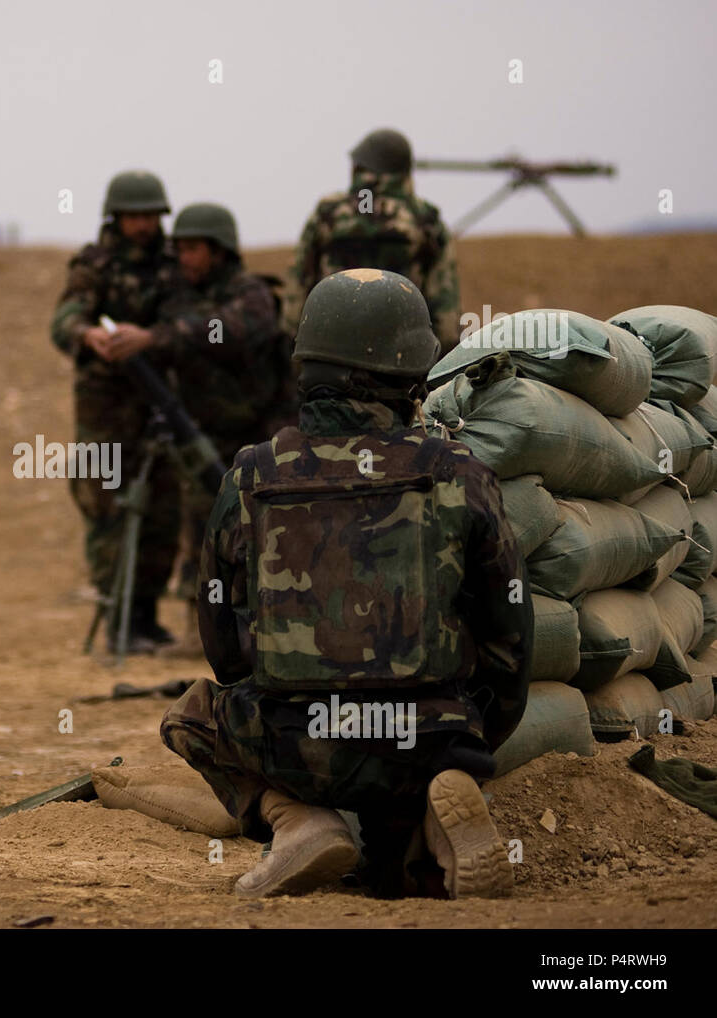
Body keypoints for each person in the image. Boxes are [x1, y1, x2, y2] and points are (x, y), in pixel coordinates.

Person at [161, 268, 531, 899]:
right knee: (400, 856)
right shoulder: (459, 471)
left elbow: (220, 640)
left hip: (295, 744)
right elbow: (510, 639)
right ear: (414, 374)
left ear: (306, 367)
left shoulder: (251, 475)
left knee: (191, 716)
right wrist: (470, 732)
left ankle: (297, 820)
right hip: (428, 738)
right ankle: (436, 809)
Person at [145, 202, 291, 654]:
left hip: (255, 437)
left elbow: (235, 330)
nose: (184, 258)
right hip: (198, 434)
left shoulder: (251, 292)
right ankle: (200, 633)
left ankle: (274, 629)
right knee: (201, 537)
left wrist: (163, 336)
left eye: (193, 248)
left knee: (262, 536)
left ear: (220, 250)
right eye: (180, 249)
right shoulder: (176, 295)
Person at [50, 170, 181, 650]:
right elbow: (64, 319)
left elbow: (189, 322)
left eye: (149, 215)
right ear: (116, 217)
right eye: (134, 216)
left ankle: (144, 618)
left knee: (163, 511)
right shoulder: (94, 263)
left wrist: (151, 339)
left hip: (161, 405)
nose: (143, 224)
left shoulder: (174, 264)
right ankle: (117, 619)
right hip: (104, 409)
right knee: (106, 510)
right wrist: (90, 335)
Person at [285, 129, 460, 352]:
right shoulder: (425, 219)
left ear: (360, 167)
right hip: (402, 354)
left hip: (331, 350)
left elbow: (298, 282)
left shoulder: (329, 212)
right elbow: (446, 307)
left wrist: (293, 343)